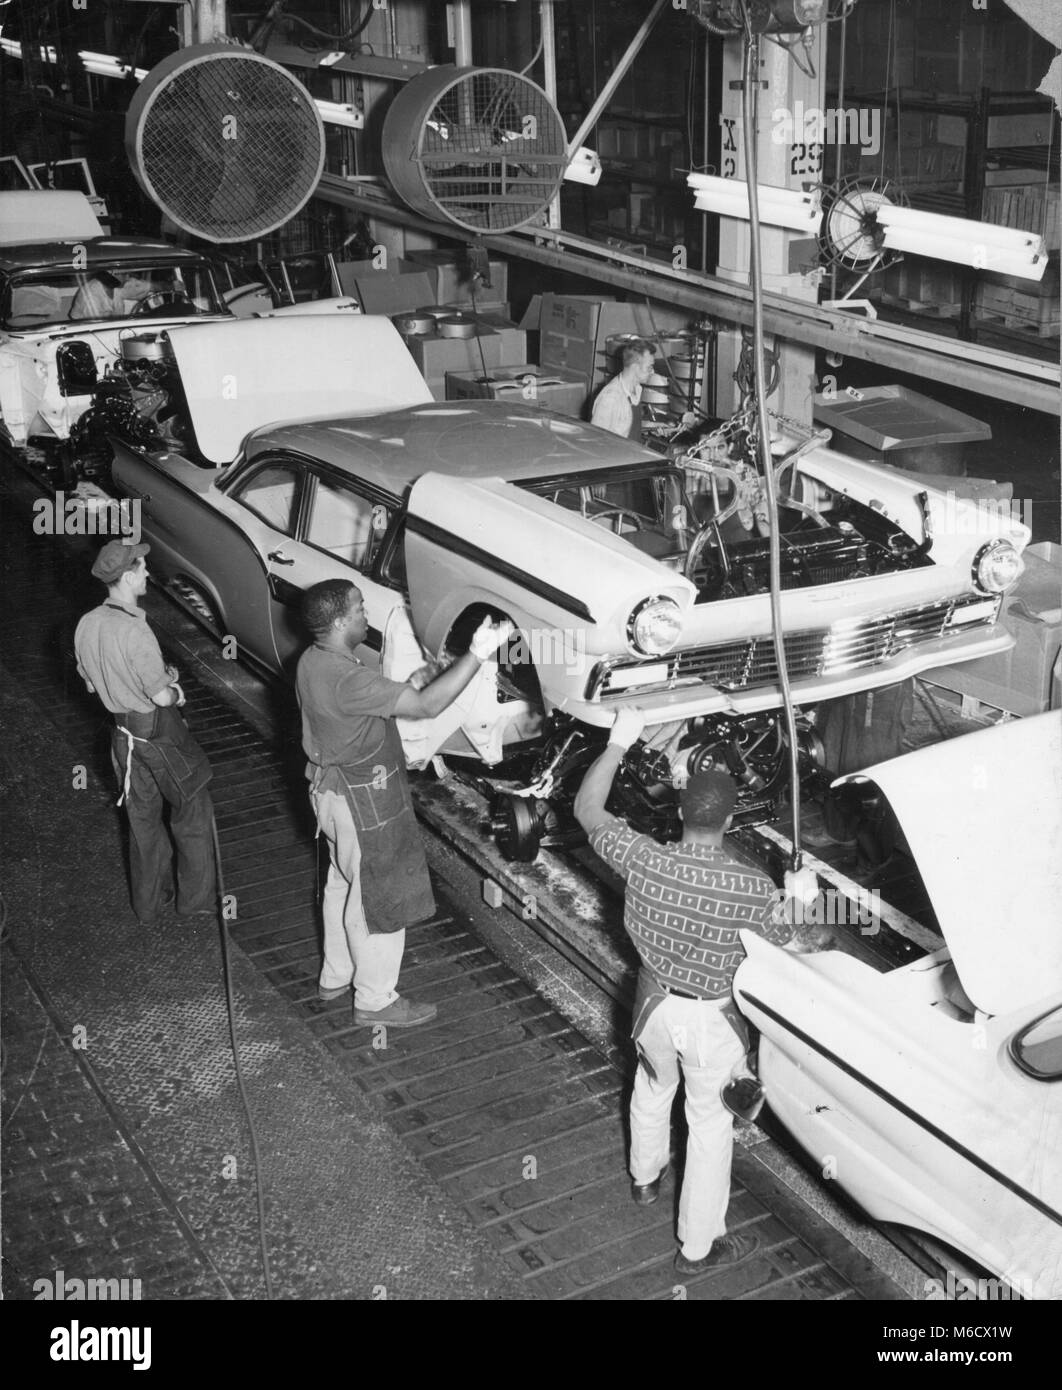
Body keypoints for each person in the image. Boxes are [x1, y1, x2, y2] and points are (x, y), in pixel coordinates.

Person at [574, 708, 823, 1276]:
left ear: (679, 811)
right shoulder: (750, 887)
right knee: (709, 1125)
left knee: (651, 1087)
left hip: (653, 1007)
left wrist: (616, 745)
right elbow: (783, 939)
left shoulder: (644, 858)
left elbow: (587, 809)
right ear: (730, 819)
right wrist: (801, 898)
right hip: (714, 1025)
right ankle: (697, 1246)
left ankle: (644, 1179)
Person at [297, 579, 512, 1029]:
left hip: (329, 796)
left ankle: (337, 975)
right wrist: (479, 653)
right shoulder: (347, 678)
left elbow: (380, 700)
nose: (366, 615)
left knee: (342, 883)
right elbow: (426, 707)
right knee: (379, 896)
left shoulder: (313, 661)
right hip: (363, 803)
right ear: (339, 621)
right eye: (359, 609)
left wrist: (421, 677)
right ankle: (374, 1000)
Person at [74, 539, 217, 928]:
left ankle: (148, 905)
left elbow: (90, 684)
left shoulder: (88, 623)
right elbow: (160, 696)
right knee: (192, 809)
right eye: (142, 568)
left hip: (123, 738)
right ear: (128, 576)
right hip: (159, 735)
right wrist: (174, 686)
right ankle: (193, 901)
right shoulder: (135, 630)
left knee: (142, 823)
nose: (148, 574)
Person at [590, 339, 656, 441]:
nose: (653, 372)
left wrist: (656, 427)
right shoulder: (610, 398)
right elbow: (596, 440)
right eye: (649, 367)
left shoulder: (636, 389)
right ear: (635, 367)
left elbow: (628, 424)